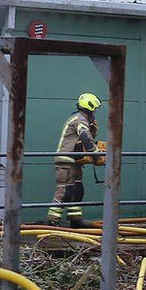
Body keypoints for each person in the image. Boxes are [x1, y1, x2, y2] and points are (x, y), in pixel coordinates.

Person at [46, 93, 103, 228]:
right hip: (65, 161)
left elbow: (86, 137)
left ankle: (75, 219)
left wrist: (93, 128)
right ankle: (53, 220)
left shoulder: (83, 120)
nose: (95, 112)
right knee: (66, 190)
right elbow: (85, 136)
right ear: (89, 108)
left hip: (74, 162)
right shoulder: (79, 120)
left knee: (78, 190)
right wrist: (96, 154)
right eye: (94, 109)